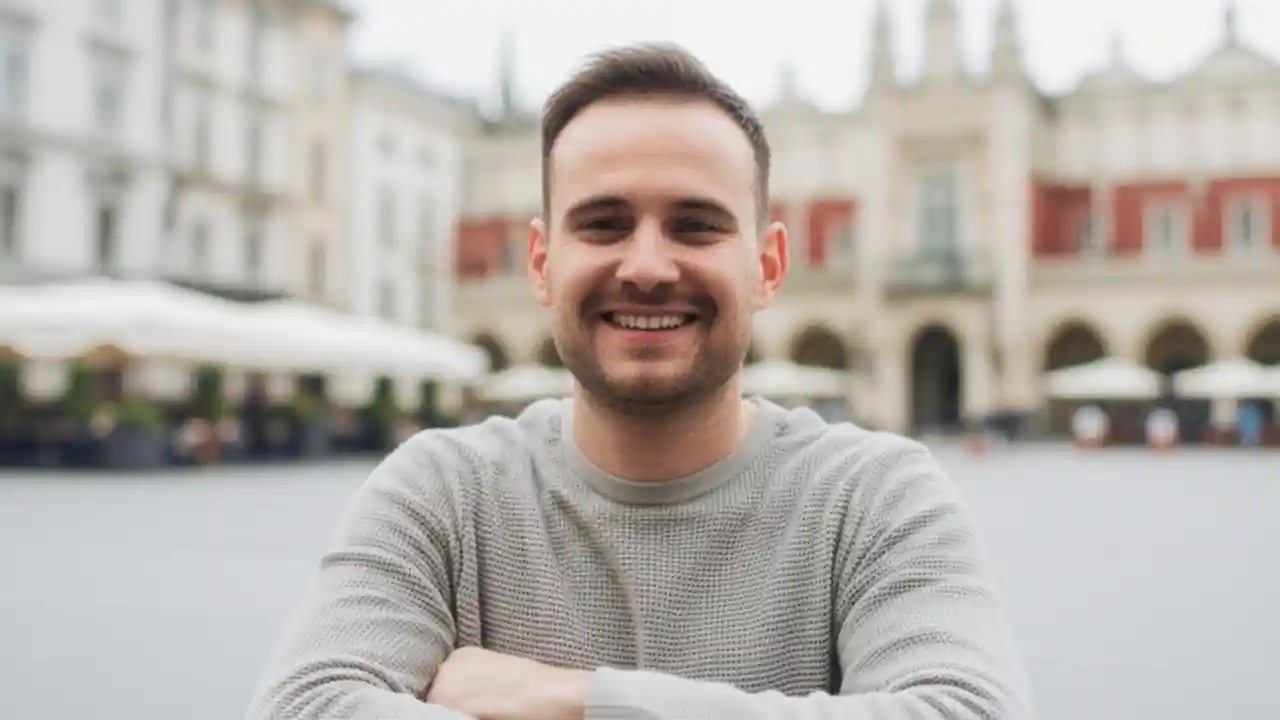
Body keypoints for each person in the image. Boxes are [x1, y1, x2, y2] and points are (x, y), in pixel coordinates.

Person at [246, 43, 1033, 720]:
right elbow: (305, 704)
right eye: (603, 224)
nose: (649, 267)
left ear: (767, 266)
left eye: (696, 225)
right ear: (542, 263)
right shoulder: (443, 492)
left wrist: (580, 699)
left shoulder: (875, 498)